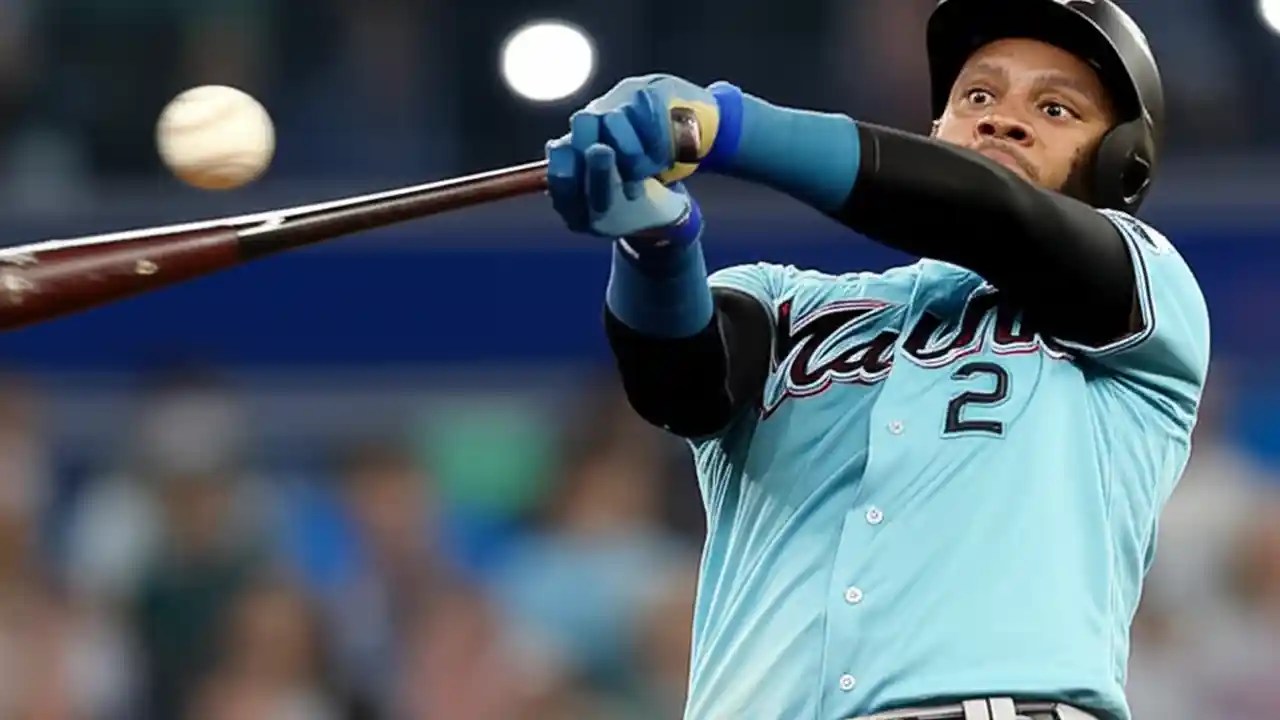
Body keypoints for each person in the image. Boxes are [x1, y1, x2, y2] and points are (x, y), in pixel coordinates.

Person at [542, 1, 1210, 719]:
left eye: (1055, 108)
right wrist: (654, 240)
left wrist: (729, 125)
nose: (1002, 119)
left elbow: (992, 213)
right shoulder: (783, 299)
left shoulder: (1146, 293)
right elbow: (678, 386)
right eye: (977, 96)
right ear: (932, 133)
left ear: (1122, 164)